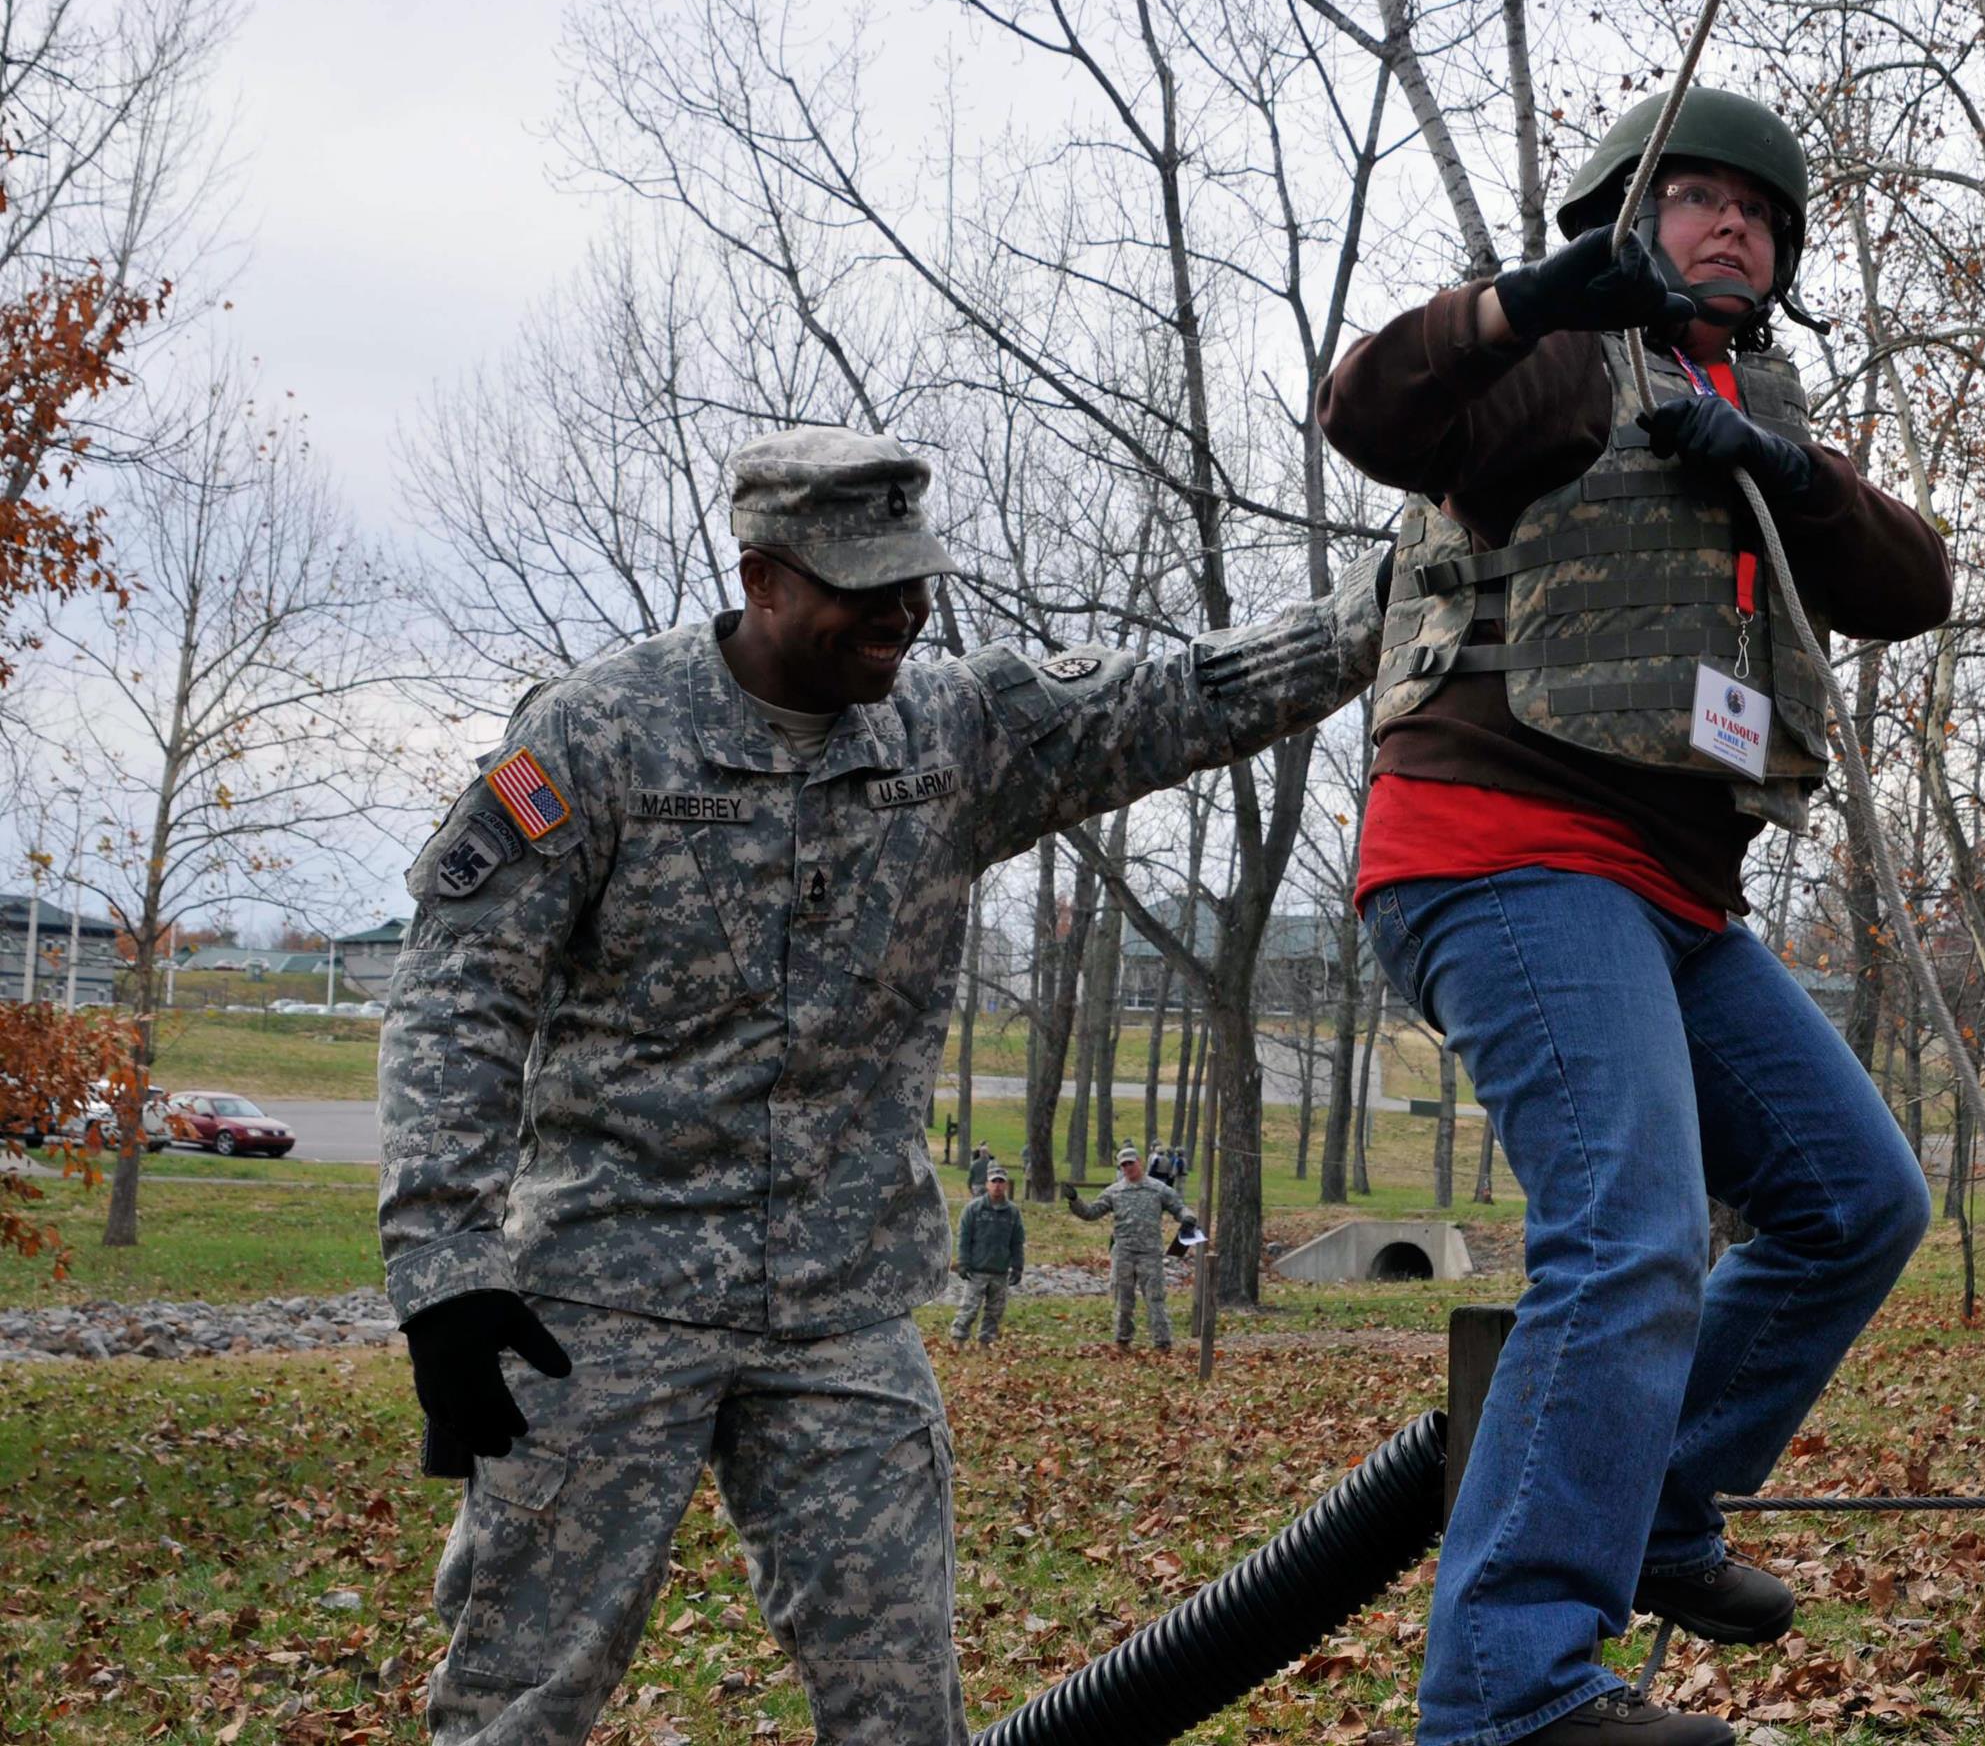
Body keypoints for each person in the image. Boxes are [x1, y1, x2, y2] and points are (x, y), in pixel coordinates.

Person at [378, 430, 1385, 1745]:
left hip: (841, 1309)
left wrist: (1391, 605)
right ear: (765, 579)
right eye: (865, 582)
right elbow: (462, 987)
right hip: (606, 1295)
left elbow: (1187, 696)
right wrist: (446, 1276)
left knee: (904, 1704)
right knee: (517, 1699)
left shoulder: (954, 731)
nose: (904, 610)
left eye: (915, 575)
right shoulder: (601, 734)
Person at [1318, 86, 1952, 1746]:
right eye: (1692, 196)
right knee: (1631, 1226)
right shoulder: (1550, 358)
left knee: (1854, 1199)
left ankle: (1654, 1496)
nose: (1730, 223)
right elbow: (1370, 406)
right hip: (1501, 845)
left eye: (1759, 207)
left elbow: (1914, 585)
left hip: (1673, 891)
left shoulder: (1759, 406)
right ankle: (1508, 1688)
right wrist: (1531, 298)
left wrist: (1787, 471)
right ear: (1621, 216)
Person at [1064, 1143, 1186, 1352]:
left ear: (1140, 1162)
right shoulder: (1114, 1192)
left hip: (1150, 1252)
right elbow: (1091, 1213)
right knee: (1122, 1299)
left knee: (1155, 1299)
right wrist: (1075, 1200)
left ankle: (1162, 1343)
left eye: (1131, 1163)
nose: (1128, 1168)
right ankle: (1122, 1340)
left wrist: (1188, 1217)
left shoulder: (1158, 1189)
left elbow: (1178, 1207)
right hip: (1124, 1252)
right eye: (1124, 1165)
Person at [952, 1168, 1023, 1344]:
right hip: (977, 1270)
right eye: (994, 1182)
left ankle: (986, 1342)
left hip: (1000, 1271)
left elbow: (1017, 1241)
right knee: (969, 1309)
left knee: (995, 1311)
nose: (997, 1186)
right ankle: (958, 1340)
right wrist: (963, 1262)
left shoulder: (1013, 1212)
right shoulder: (973, 1209)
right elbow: (964, 1238)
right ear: (987, 1185)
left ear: (1006, 1185)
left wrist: (1018, 1266)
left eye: (1001, 1182)